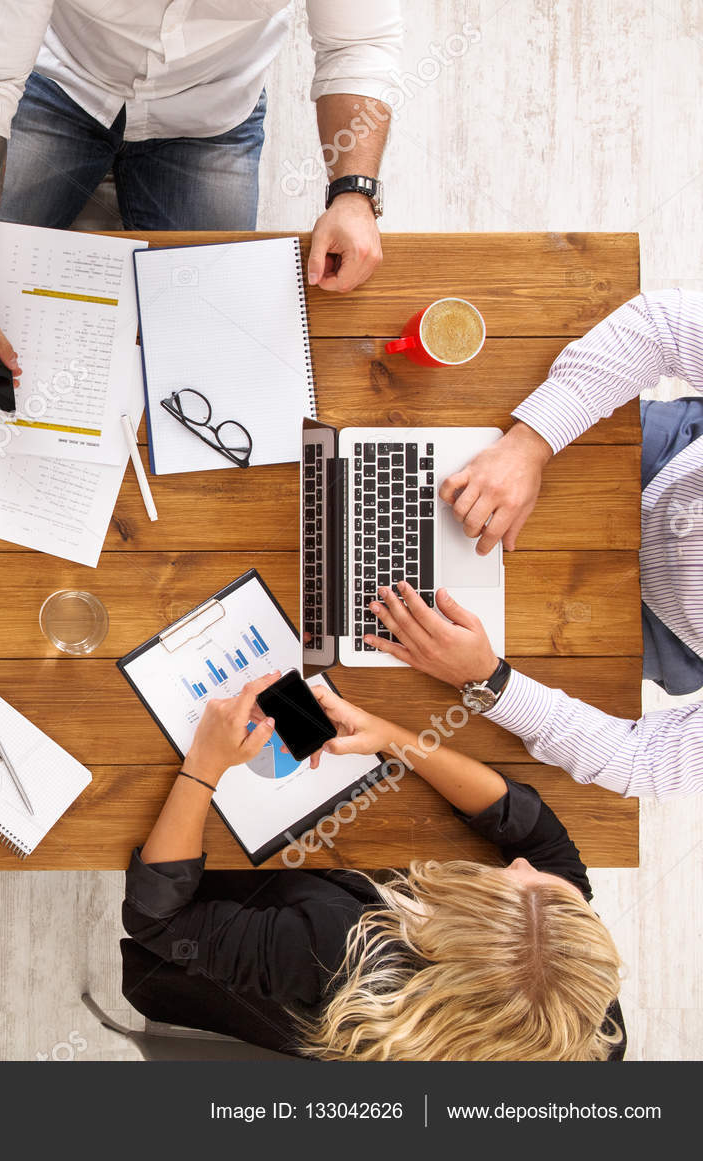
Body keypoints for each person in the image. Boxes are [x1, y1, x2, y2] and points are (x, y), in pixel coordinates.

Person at [120, 675, 625, 1060]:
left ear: (447, 929)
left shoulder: (339, 951)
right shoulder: (574, 990)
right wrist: (390, 737)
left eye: (508, 883)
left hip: (247, 921)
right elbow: (538, 833)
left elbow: (157, 920)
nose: (521, 863)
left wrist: (204, 764)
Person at [0, 0, 404, 397]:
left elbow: (356, 44)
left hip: (212, 111)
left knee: (206, 346)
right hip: (68, 82)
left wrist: (353, 195)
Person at [360, 290, 703, 796]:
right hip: (656, 459)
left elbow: (644, 764)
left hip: (656, 626)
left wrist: (490, 681)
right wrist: (531, 442)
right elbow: (662, 325)